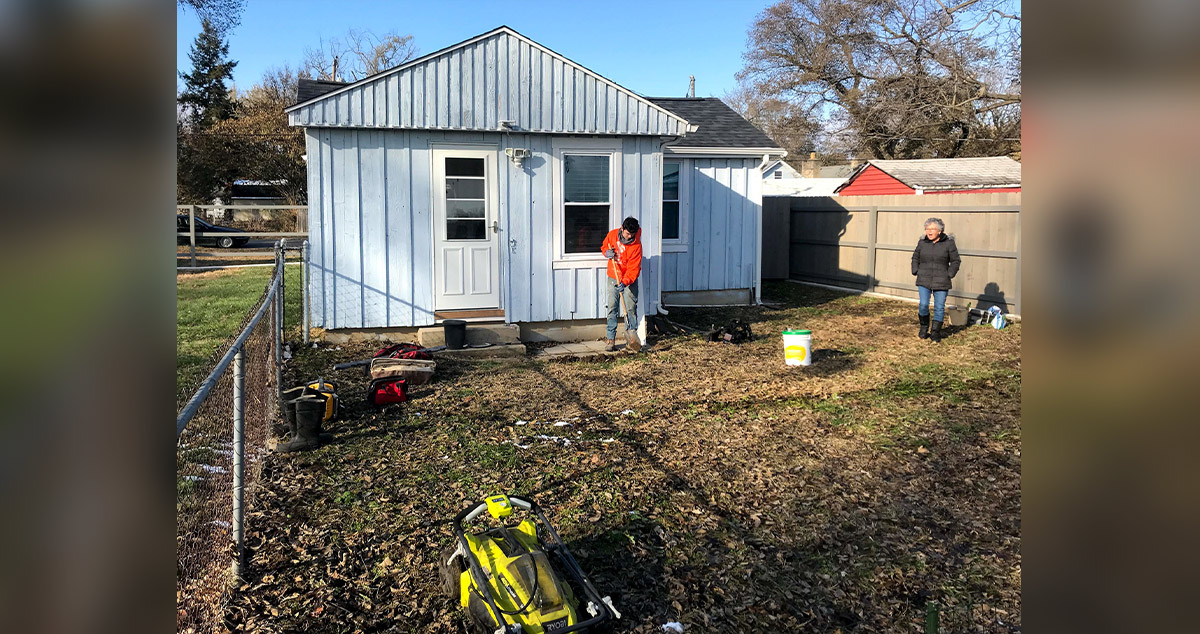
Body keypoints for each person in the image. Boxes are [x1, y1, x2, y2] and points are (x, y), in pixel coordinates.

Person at [911, 217, 961, 343]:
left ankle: (935, 332)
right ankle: (923, 328)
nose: (929, 231)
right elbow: (915, 257)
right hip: (924, 279)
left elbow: (955, 261)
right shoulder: (922, 242)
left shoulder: (949, 243)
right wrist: (915, 269)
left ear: (940, 230)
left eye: (932, 229)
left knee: (939, 307)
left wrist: (949, 274)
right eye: (927, 229)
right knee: (923, 305)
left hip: (942, 280)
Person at [601, 217, 642, 352]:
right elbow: (604, 246)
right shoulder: (613, 235)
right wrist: (606, 253)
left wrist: (625, 282)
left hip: (629, 279)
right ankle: (610, 339)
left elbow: (634, 268)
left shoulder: (636, 246)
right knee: (612, 307)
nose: (629, 236)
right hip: (614, 275)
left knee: (630, 308)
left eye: (632, 234)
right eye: (627, 233)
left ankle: (631, 340)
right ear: (622, 228)